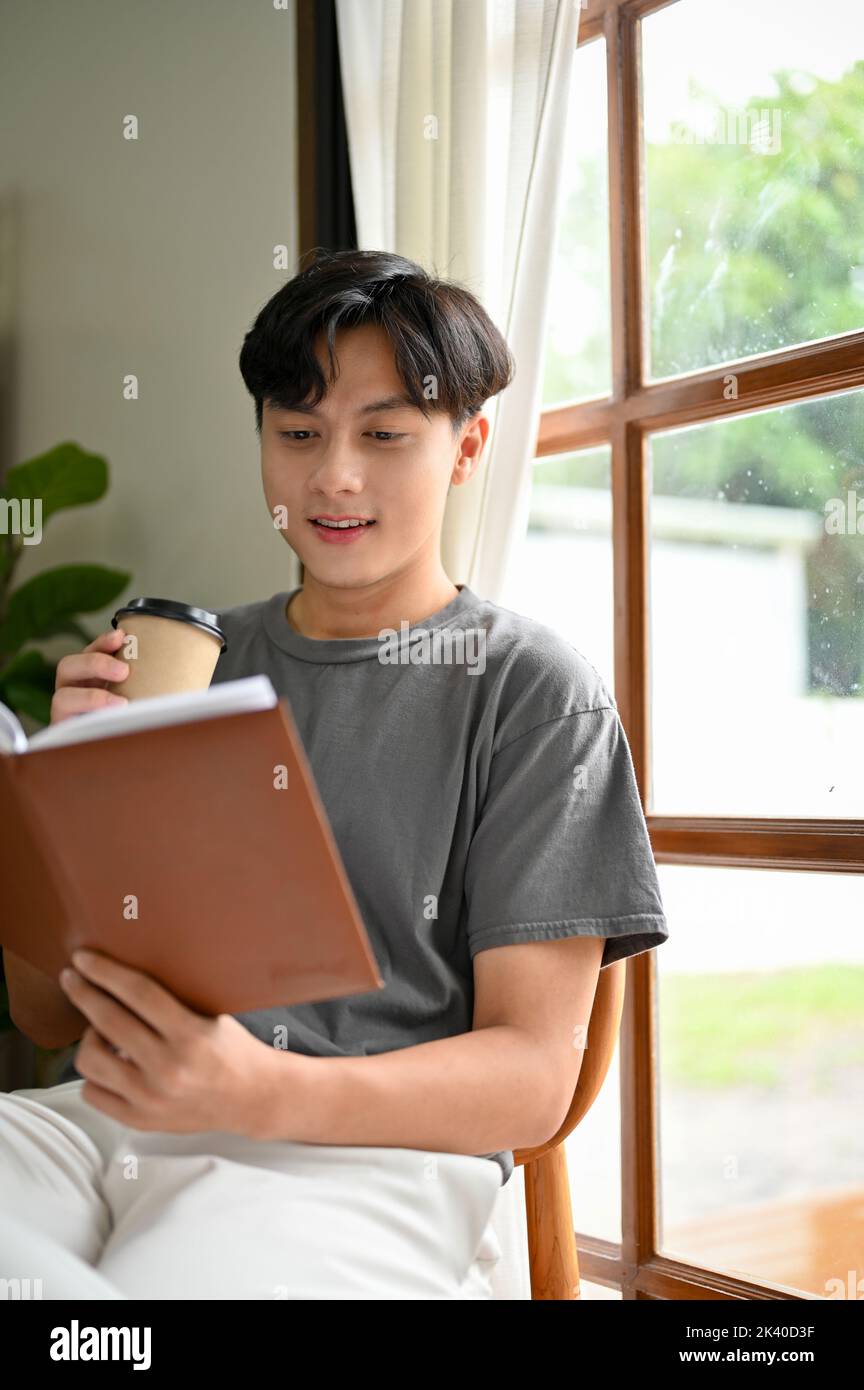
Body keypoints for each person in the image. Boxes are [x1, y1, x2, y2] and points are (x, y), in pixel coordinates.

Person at [0, 249, 668, 1299]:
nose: (334, 476)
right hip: (114, 1118)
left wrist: (263, 1089)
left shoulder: (535, 693)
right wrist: (63, 798)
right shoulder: (192, 661)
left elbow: (535, 1080)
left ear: (467, 446)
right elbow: (48, 1015)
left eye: (386, 435)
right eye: (297, 433)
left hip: (369, 1154)